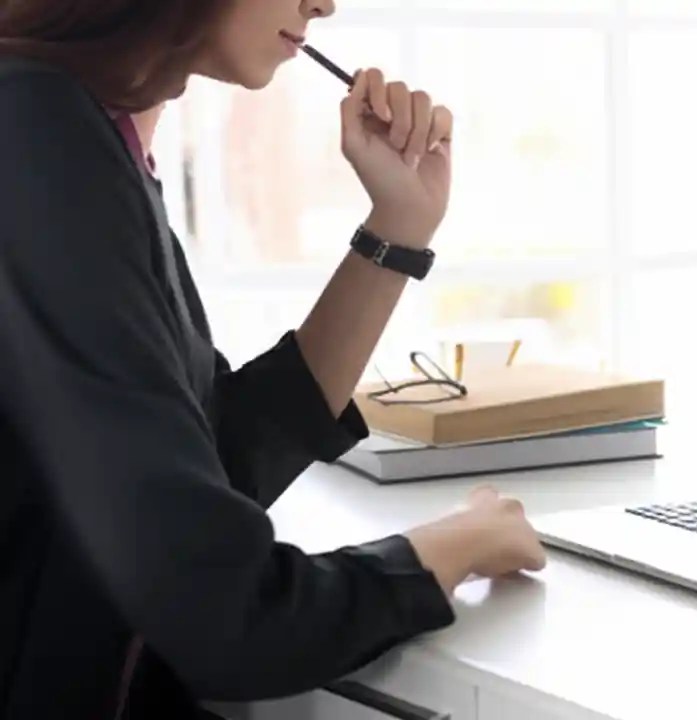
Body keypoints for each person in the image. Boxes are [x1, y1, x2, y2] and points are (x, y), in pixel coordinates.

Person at [0, 1, 548, 718]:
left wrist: (398, 229)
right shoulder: (39, 140)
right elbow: (223, 614)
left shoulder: (63, 128)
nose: (324, 3)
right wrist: (453, 546)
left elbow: (207, 464)